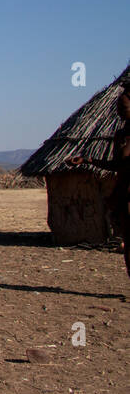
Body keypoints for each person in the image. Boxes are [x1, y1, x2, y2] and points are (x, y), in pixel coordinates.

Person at [67, 82, 130, 278]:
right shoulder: (121, 136)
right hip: (124, 193)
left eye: (125, 105)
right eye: (119, 106)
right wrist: (87, 160)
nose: (120, 108)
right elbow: (116, 165)